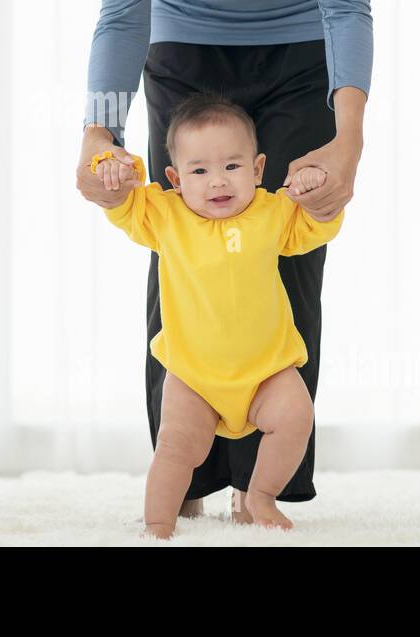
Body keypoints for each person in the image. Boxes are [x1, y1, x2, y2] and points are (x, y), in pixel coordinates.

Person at [76, 0, 372, 525]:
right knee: (181, 256)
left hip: (297, 49)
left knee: (288, 252)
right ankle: (191, 478)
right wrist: (99, 130)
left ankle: (264, 485)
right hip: (185, 46)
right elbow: (122, 7)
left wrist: (348, 134)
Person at [90, 92, 339, 538]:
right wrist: (111, 170)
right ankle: (159, 522)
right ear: (175, 178)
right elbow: (121, 204)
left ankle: (260, 493)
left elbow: (314, 227)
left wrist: (318, 190)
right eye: (199, 170)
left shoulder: (273, 212)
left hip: (267, 371)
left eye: (232, 166)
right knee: (175, 447)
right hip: (193, 376)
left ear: (258, 170)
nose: (217, 182)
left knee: (296, 417)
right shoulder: (164, 215)